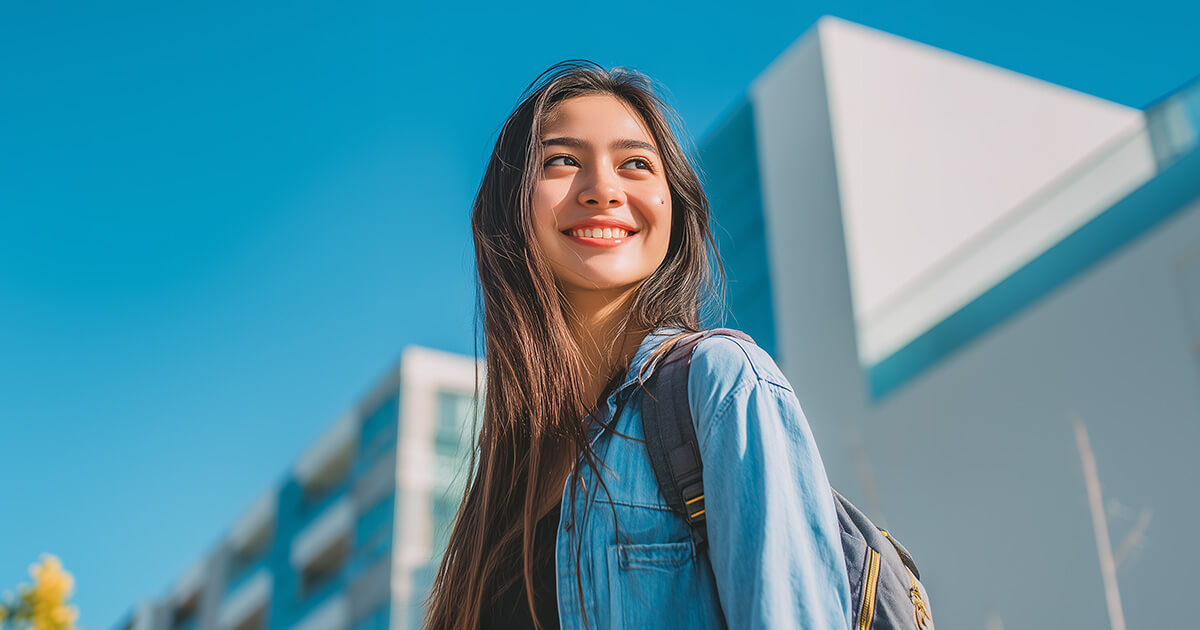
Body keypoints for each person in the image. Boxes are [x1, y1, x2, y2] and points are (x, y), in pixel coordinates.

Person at [423, 60, 852, 630]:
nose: (603, 190)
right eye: (563, 161)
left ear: (673, 207)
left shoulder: (721, 384)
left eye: (636, 165)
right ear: (512, 205)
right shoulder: (503, 490)